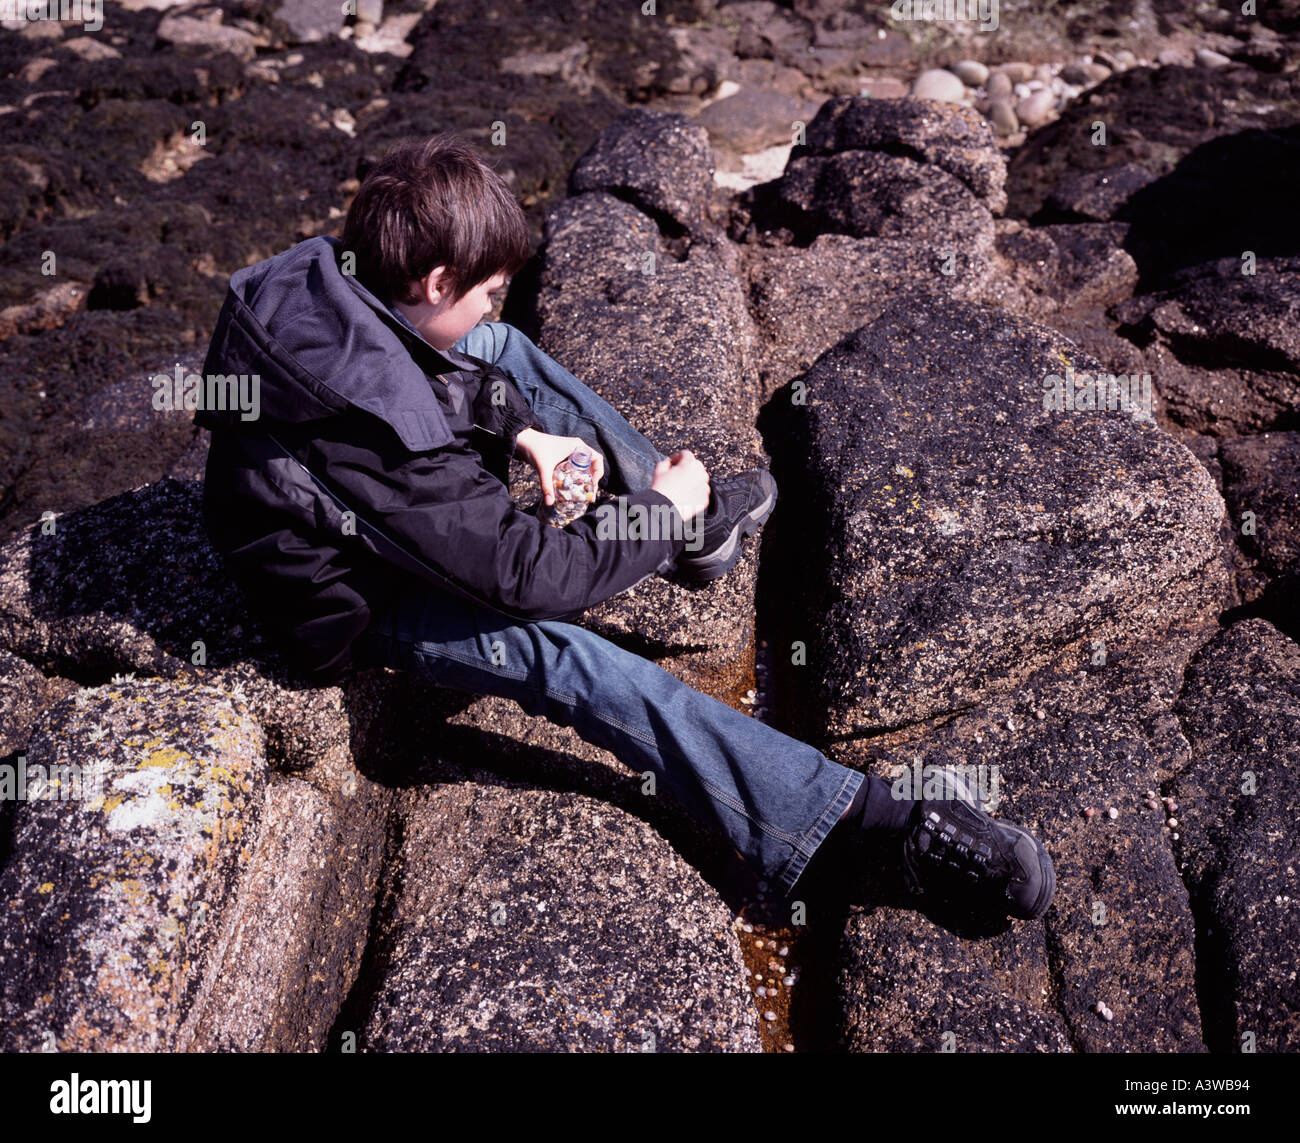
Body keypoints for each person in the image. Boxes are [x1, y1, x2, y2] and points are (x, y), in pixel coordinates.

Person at [194, 131, 1055, 924]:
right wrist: (650, 513)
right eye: (490, 293)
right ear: (435, 283)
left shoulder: (331, 275)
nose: (498, 307)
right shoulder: (385, 438)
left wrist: (522, 428)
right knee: (562, 650)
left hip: (369, 503)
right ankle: (854, 824)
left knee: (502, 355)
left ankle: (690, 530)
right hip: (350, 597)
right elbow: (530, 576)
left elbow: (435, 369)